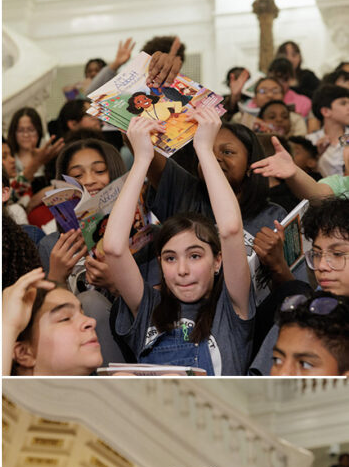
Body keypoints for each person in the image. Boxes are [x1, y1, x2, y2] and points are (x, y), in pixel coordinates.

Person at [103, 108, 254, 373]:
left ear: (218, 260)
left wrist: (205, 150)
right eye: (170, 258)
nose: (182, 270)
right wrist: (142, 159)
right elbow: (114, 248)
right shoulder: (148, 306)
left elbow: (230, 229)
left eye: (195, 256)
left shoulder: (231, 308)